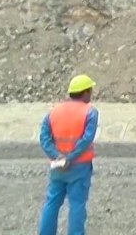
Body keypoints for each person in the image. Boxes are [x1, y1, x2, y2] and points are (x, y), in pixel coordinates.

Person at [37, 74, 98, 235]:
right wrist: (69, 158)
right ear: (85, 93)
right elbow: (86, 139)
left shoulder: (53, 111)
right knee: (77, 204)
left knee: (52, 202)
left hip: (57, 166)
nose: (91, 93)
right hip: (79, 166)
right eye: (90, 90)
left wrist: (57, 156)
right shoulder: (90, 112)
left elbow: (44, 137)